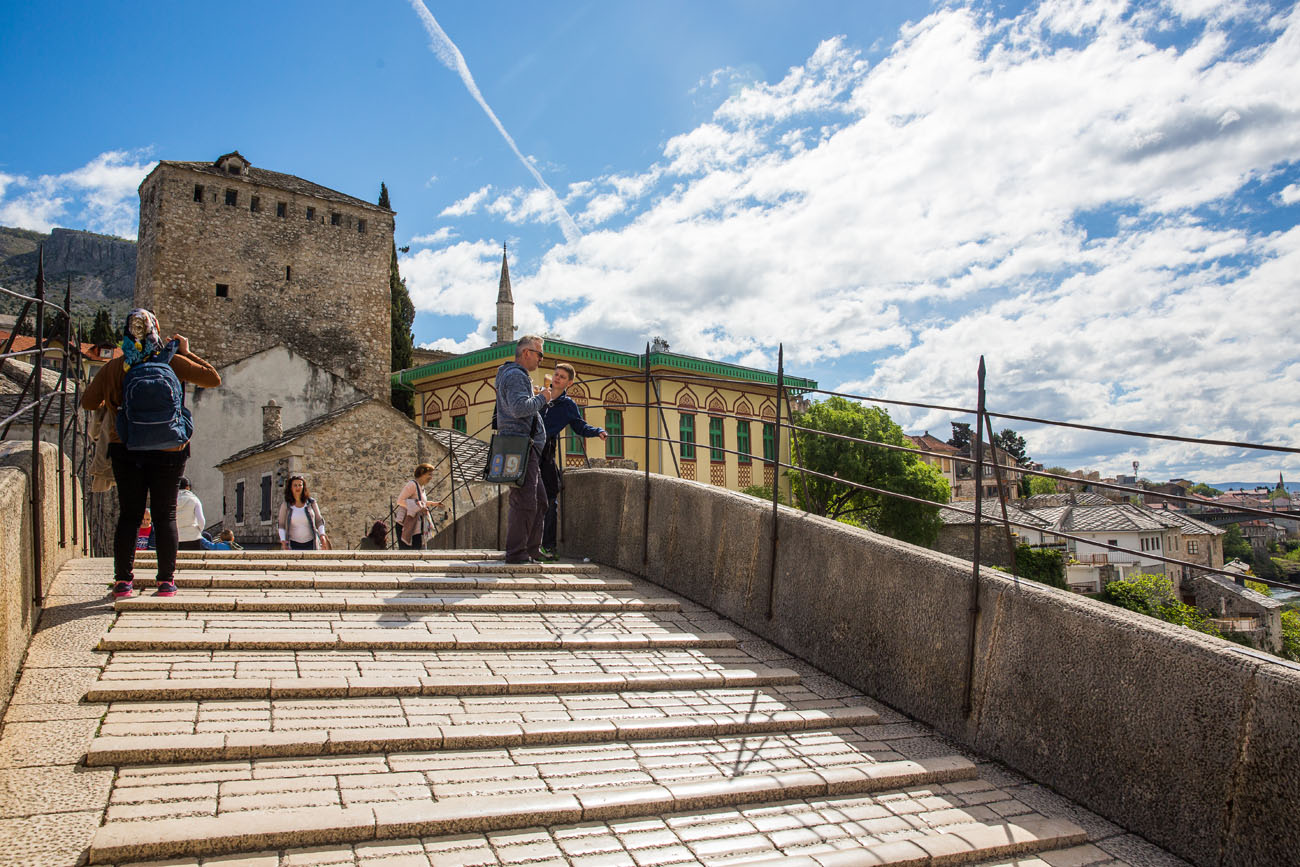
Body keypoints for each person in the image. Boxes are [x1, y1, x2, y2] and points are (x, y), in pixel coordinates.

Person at [81, 308, 221, 598]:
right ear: (155, 329)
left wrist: (114, 403)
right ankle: (166, 582)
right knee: (165, 515)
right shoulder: (171, 362)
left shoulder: (115, 367)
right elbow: (212, 379)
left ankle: (123, 582)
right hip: (170, 448)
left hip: (126, 446)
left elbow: (88, 402)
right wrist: (187, 351)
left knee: (130, 516)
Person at [495, 335, 554, 563]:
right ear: (527, 353)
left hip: (525, 446)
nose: (541, 359)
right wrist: (542, 398)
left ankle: (531, 548)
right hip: (521, 446)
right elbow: (519, 408)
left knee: (539, 501)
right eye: (540, 354)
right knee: (525, 501)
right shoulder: (516, 376)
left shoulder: (514, 376)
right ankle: (517, 553)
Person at [539, 363, 607, 560]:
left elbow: (579, 426)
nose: (557, 378)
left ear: (569, 382)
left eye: (561, 376)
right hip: (528, 448)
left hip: (547, 451)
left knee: (551, 498)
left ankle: (548, 546)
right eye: (555, 375)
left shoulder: (568, 405)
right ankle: (527, 544)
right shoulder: (540, 396)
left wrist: (598, 431)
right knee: (527, 497)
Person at [396, 464, 442, 549]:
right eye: (429, 474)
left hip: (416, 525)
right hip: (405, 524)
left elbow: (421, 502)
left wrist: (433, 503)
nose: (431, 477)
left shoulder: (421, 487)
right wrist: (419, 507)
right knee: (408, 551)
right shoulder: (412, 485)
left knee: (416, 548)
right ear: (422, 473)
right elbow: (400, 501)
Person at [277, 475, 328, 550]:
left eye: (300, 485)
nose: (298, 487)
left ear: (303, 487)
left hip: (311, 544)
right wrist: (283, 540)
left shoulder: (311, 503)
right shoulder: (286, 505)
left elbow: (319, 521)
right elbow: (281, 525)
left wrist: (322, 535)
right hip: (293, 544)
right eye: (295, 485)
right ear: (291, 488)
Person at [175, 477, 206, 550]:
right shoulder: (194, 500)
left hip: (174, 536)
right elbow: (201, 520)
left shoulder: (171, 500)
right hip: (192, 537)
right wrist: (198, 530)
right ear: (187, 487)